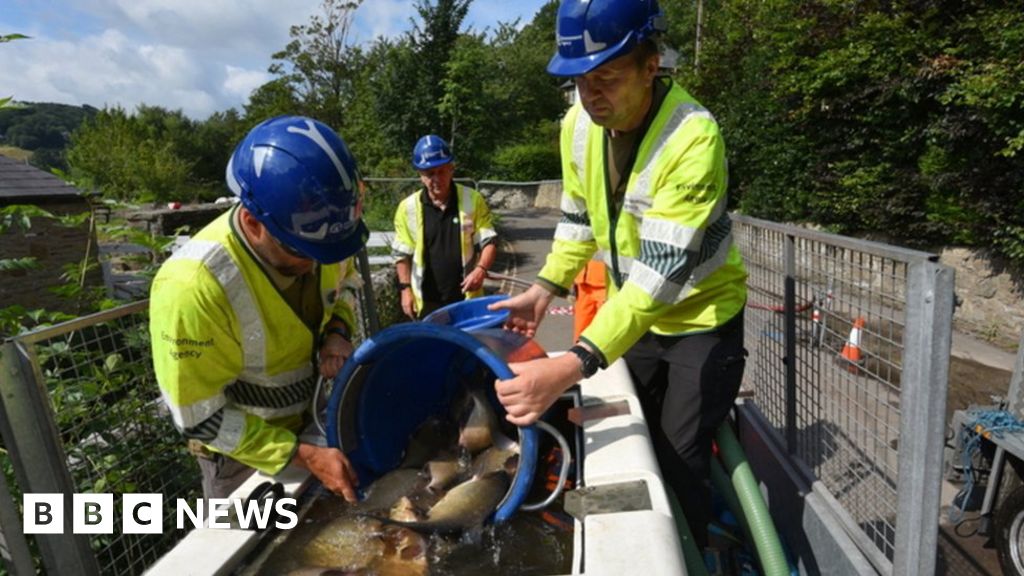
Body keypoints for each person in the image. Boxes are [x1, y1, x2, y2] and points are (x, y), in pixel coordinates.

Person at [490, 0, 748, 548]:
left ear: (651, 66)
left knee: (678, 457)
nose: (591, 96)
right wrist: (545, 288)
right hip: (634, 318)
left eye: (605, 77)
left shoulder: (693, 139)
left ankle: (694, 545)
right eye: (580, 81)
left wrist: (573, 363)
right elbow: (578, 219)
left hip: (700, 320)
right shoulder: (579, 125)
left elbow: (657, 278)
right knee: (629, 434)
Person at [149, 115, 369, 503]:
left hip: (311, 423)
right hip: (239, 457)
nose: (317, 264)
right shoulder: (192, 289)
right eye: (302, 253)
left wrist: (338, 329)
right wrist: (301, 455)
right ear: (252, 223)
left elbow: (347, 281)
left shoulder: (318, 236)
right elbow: (200, 418)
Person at [392, 134, 499, 319]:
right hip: (426, 302)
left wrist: (481, 269)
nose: (436, 179)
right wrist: (405, 290)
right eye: (429, 174)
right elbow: (402, 254)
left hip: (465, 298)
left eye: (441, 171)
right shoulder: (406, 208)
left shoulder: (472, 199)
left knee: (466, 347)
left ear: (451, 169)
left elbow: (488, 241)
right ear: (420, 176)